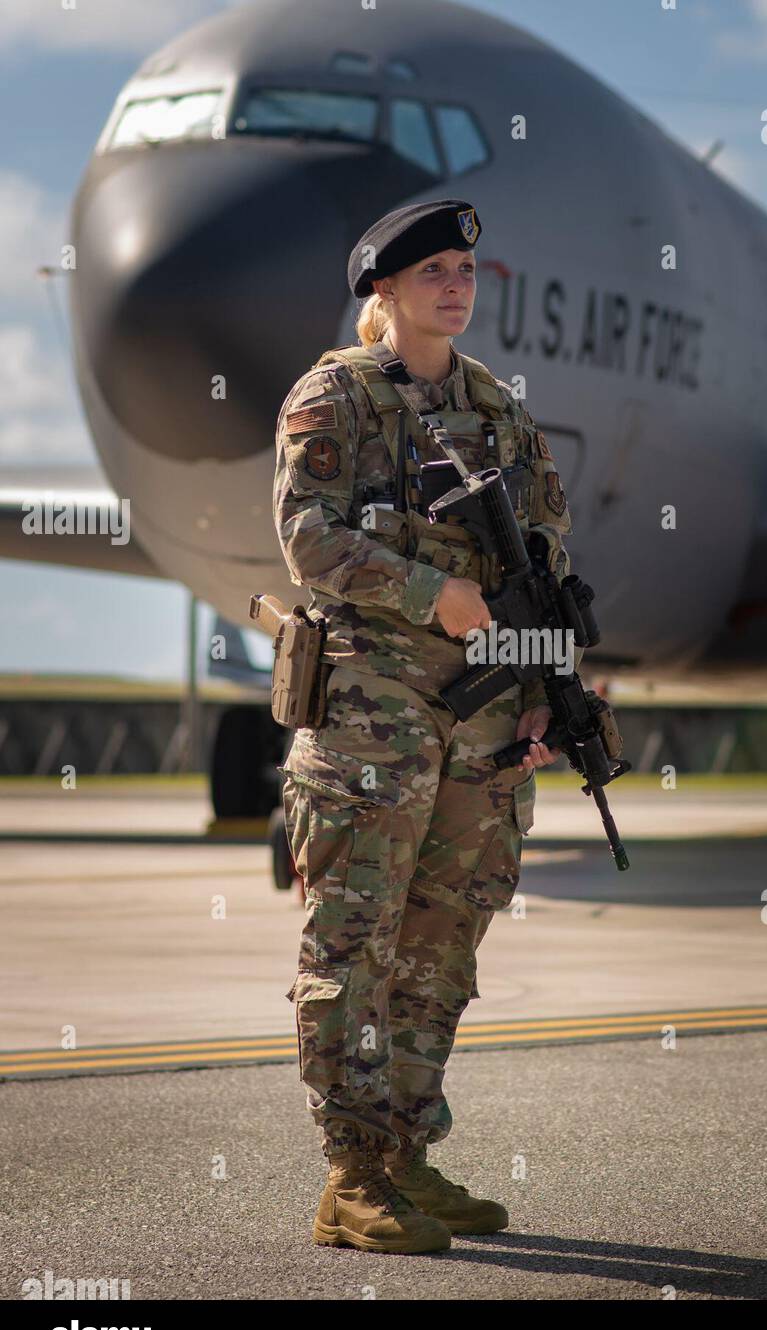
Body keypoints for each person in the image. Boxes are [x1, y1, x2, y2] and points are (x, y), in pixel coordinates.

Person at [272, 199, 580, 1254]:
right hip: (371, 713)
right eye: (433, 270)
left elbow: (542, 567)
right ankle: (350, 1176)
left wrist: (545, 687)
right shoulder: (336, 396)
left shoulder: (500, 409)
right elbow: (306, 539)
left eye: (465, 267)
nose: (456, 283)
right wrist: (422, 591)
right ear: (384, 290)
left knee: (443, 944)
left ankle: (406, 1153)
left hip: (484, 713)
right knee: (352, 944)